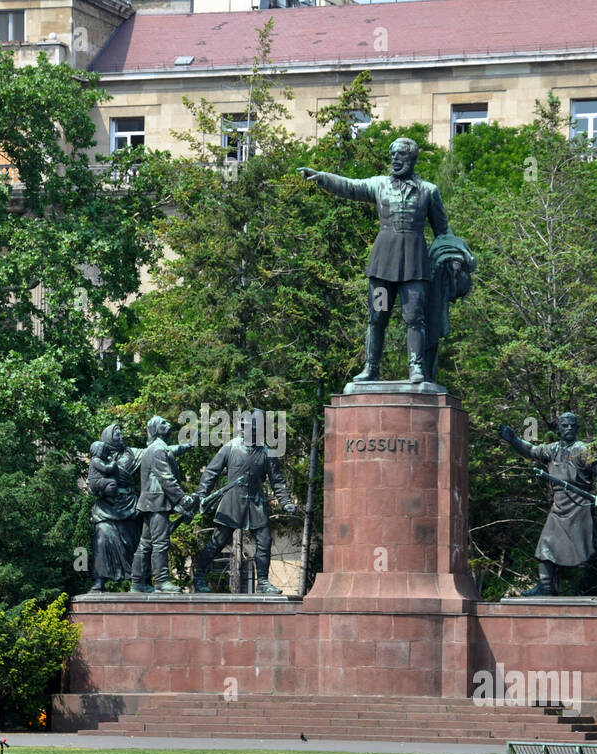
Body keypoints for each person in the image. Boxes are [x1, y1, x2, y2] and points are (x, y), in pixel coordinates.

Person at [299, 137, 450, 384]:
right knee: (378, 316)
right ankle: (371, 367)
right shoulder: (379, 185)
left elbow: (443, 231)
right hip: (383, 266)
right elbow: (350, 186)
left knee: (414, 317)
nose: (395, 160)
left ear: (412, 159)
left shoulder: (429, 191)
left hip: (414, 266)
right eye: (392, 155)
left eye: (400, 155)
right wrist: (323, 177)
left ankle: (416, 368)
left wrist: (455, 254)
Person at [498, 413, 597, 595]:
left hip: (580, 504)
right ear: (560, 428)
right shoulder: (553, 449)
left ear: (577, 428)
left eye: (572, 425)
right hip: (559, 505)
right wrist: (513, 439)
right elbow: (531, 450)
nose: (569, 428)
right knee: (545, 543)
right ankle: (545, 586)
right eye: (565, 425)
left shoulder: (583, 449)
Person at [193, 410, 298, 594]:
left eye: (250, 429)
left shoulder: (267, 451)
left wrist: (285, 502)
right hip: (232, 503)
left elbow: (277, 481)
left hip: (256, 504)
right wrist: (202, 495)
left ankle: (263, 582)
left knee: (264, 541)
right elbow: (211, 472)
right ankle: (199, 576)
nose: (245, 431)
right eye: (244, 428)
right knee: (218, 542)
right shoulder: (230, 447)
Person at [131, 415, 196, 593]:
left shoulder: (156, 448)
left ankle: (137, 582)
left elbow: (172, 450)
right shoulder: (158, 450)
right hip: (157, 502)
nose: (168, 424)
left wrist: (188, 446)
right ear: (155, 429)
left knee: (145, 543)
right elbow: (166, 478)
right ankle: (161, 581)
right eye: (163, 423)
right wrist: (182, 499)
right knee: (160, 543)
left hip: (150, 502)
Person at [88, 427, 142, 591]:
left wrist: (187, 445)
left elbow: (156, 452)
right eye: (117, 433)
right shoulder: (99, 456)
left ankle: (141, 579)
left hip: (129, 506)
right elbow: (91, 486)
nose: (122, 436)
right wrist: (103, 489)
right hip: (106, 509)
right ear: (109, 437)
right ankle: (100, 580)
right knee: (102, 537)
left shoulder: (132, 453)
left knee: (137, 541)